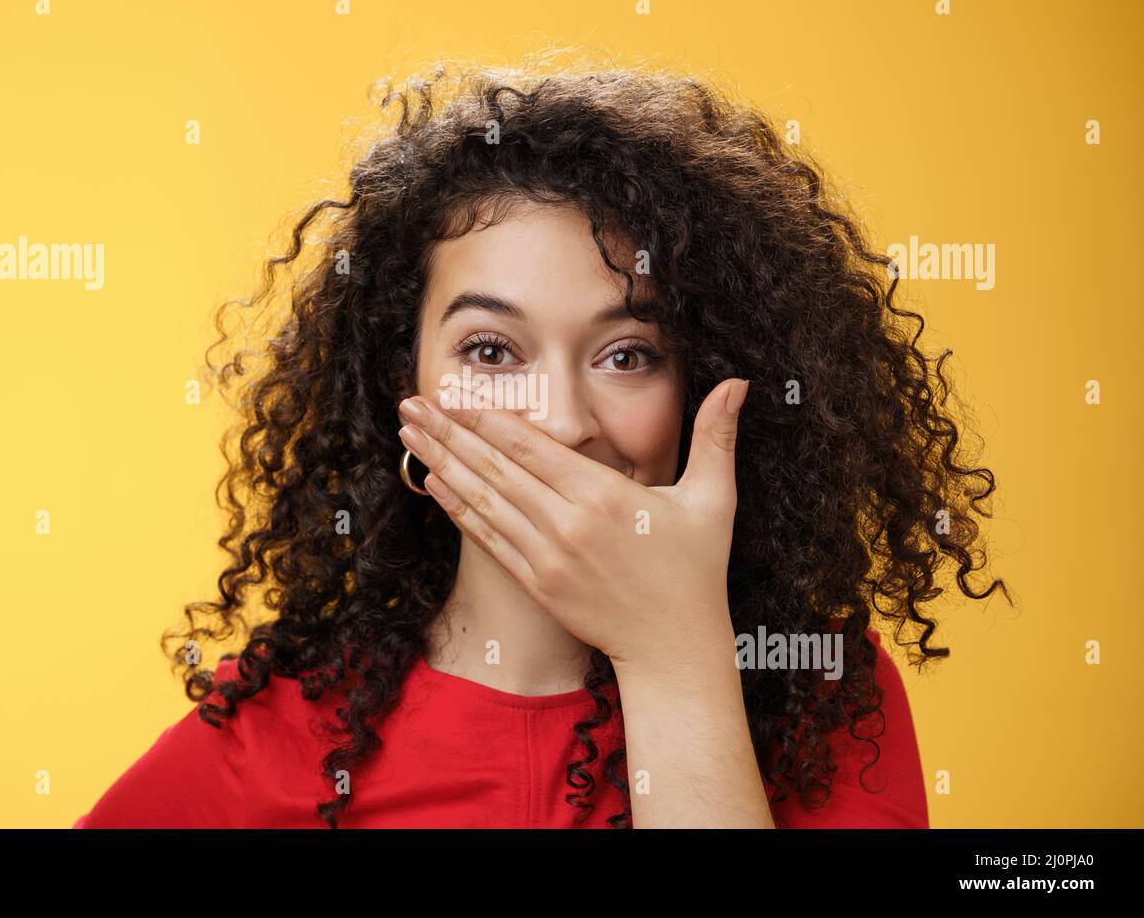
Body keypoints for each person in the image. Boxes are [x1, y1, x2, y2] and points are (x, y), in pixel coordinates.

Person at [75, 55, 1008, 829]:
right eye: (491, 350)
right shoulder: (270, 732)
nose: (562, 420)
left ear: (697, 383)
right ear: (406, 390)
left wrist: (675, 659)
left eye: (627, 353)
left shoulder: (820, 692)